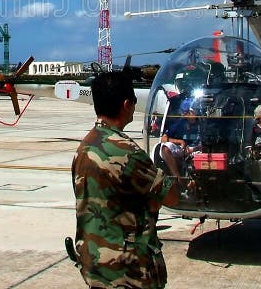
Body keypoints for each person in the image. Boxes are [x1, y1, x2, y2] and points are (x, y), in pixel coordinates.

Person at [71, 72, 181, 288]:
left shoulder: (84, 147)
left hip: (94, 264)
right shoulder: (128, 153)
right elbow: (172, 197)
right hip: (127, 271)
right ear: (126, 104)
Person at [158, 97, 200, 179]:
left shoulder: (203, 123)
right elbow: (163, 139)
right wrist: (180, 142)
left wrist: (194, 149)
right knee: (165, 148)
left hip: (198, 150)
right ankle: (178, 179)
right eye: (186, 112)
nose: (184, 115)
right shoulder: (180, 123)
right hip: (183, 149)